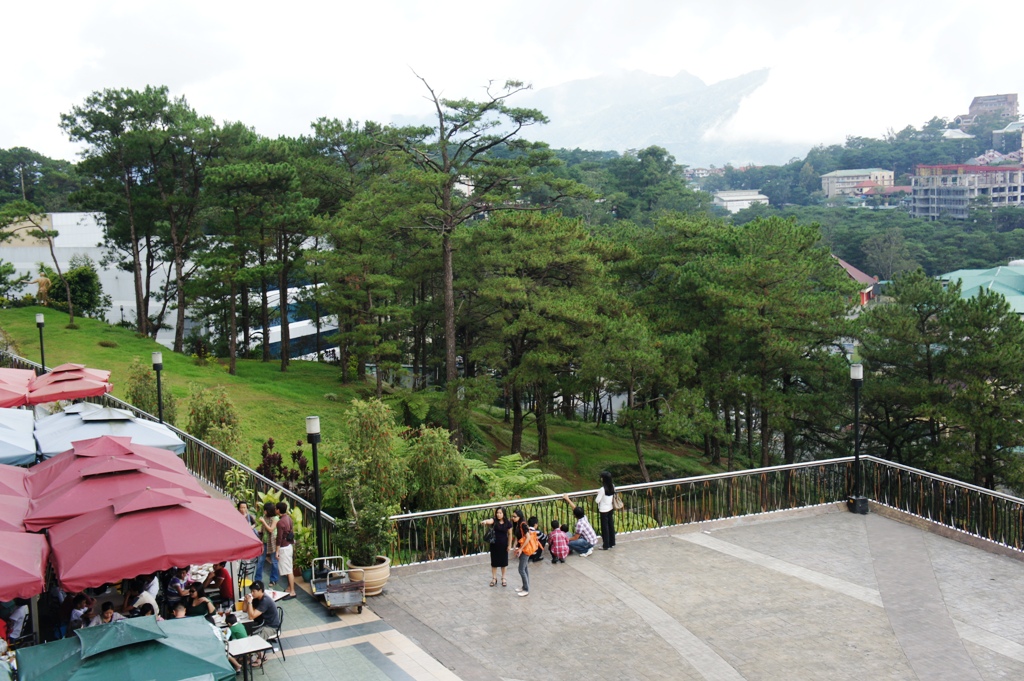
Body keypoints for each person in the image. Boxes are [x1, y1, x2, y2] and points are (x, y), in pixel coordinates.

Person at [480, 507, 513, 587]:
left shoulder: (508, 523)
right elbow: (489, 521)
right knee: (494, 562)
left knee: (503, 562)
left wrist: (509, 545)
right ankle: (494, 578)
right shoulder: (494, 520)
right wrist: (485, 522)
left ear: (504, 514)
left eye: (500, 513)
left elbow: (510, 534)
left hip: (503, 544)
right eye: (497, 513)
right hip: (494, 544)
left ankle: (503, 578)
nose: (498, 514)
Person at [254, 502, 279, 586]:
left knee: (274, 561)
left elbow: (271, 529)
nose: (264, 511)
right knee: (260, 560)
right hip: (264, 541)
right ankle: (257, 579)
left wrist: (263, 521)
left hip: (272, 542)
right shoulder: (265, 517)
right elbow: (263, 529)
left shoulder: (275, 518)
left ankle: (273, 579)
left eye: (265, 510)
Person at [275, 501, 297, 598]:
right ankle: (289, 587)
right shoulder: (288, 518)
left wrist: (277, 551)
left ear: (278, 510)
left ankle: (292, 591)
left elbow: (279, 538)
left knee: (288, 570)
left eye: (276, 508)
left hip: (284, 547)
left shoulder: (280, 523)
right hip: (289, 546)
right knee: (288, 568)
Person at [511, 511, 533, 597]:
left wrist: (521, 548)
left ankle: (526, 589)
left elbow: (528, 537)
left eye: (515, 516)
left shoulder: (523, 525)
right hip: (521, 548)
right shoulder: (517, 524)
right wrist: (515, 545)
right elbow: (518, 536)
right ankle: (525, 586)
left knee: (521, 569)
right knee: (524, 568)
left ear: (519, 517)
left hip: (525, 549)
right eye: (512, 516)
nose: (513, 518)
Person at [596, 470, 617, 550]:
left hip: (603, 510)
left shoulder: (602, 489)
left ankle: (606, 545)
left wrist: (598, 494)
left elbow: (597, 500)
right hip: (610, 508)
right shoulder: (613, 486)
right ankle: (612, 542)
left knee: (605, 527)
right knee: (610, 525)